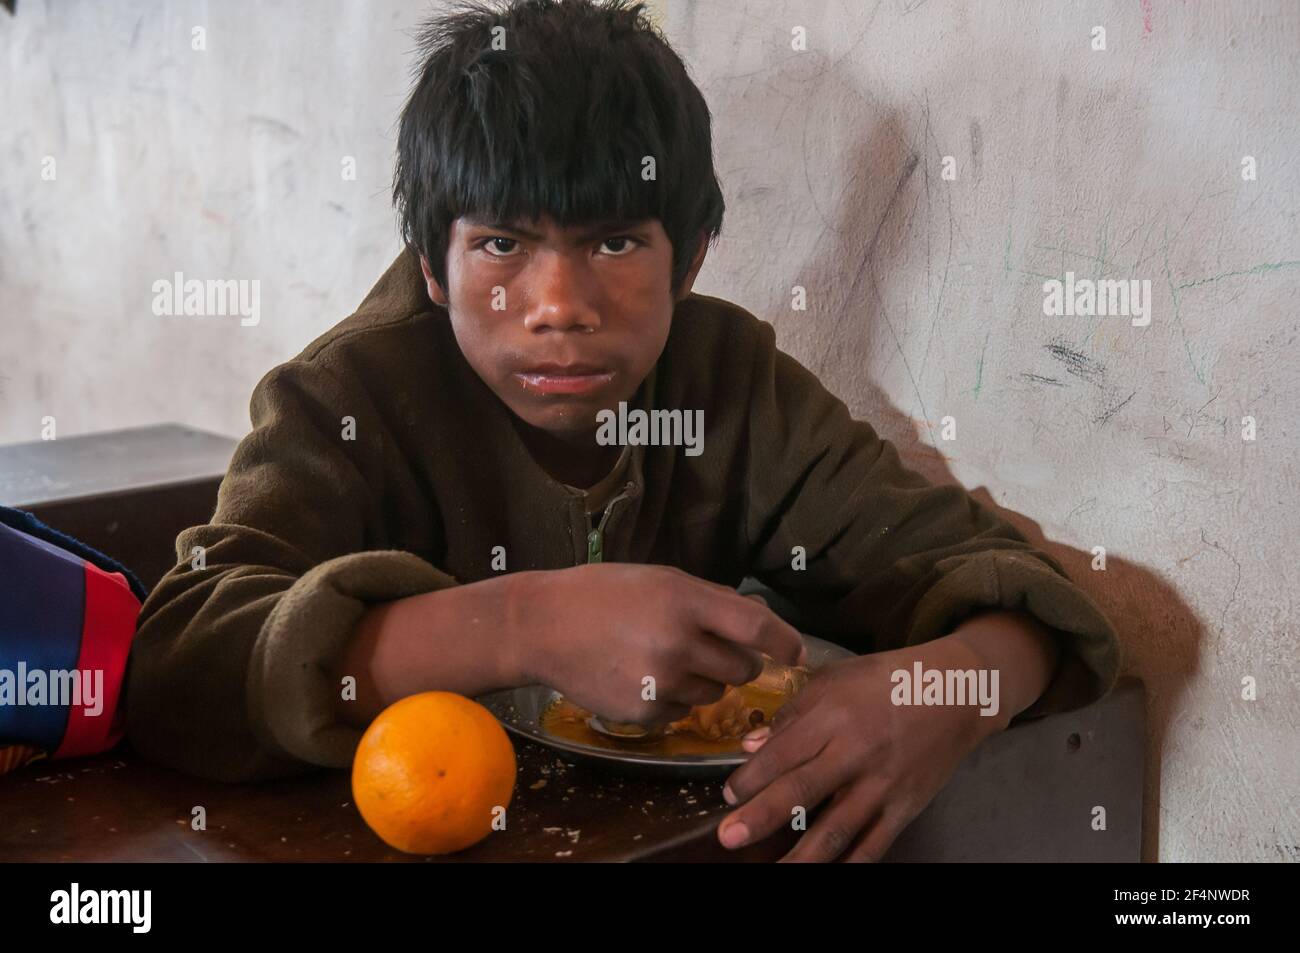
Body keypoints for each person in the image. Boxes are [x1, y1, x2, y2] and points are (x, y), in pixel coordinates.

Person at [126, 0, 1119, 862]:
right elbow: (179, 666)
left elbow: (996, 579)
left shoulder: (731, 388)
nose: (558, 304)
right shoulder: (345, 400)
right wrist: (527, 622)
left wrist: (950, 689)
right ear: (433, 265)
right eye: (502, 244)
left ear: (688, 261)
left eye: (612, 241)